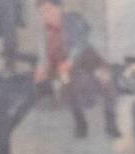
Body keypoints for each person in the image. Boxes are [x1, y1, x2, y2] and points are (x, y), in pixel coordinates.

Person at [34, 0, 120, 139]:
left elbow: (81, 41)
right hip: (63, 66)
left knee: (106, 79)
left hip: (88, 58)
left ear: (59, 8)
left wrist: (70, 61)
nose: (46, 15)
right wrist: (40, 68)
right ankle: (80, 124)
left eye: (48, 10)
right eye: (42, 13)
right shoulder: (44, 32)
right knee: (70, 86)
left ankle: (111, 123)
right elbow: (42, 55)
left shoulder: (73, 19)